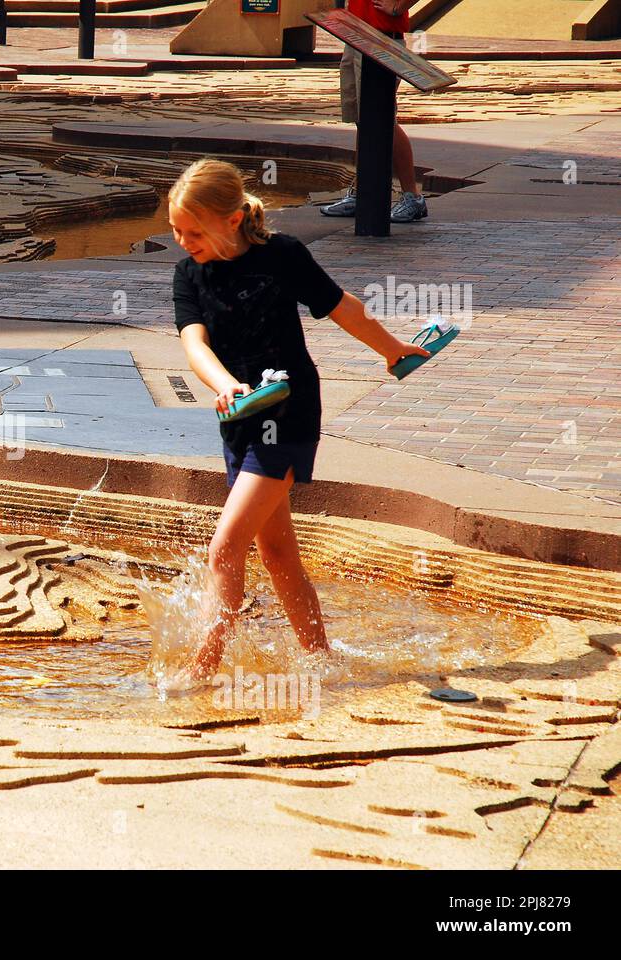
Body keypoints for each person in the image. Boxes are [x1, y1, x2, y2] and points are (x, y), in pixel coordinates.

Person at [170, 158, 429, 679]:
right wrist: (226, 387)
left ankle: (199, 673)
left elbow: (343, 308)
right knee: (278, 553)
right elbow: (193, 344)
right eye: (175, 230)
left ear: (234, 219)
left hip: (288, 412)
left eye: (193, 230)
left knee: (224, 550)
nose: (182, 240)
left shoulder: (282, 255)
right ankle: (320, 660)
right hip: (239, 417)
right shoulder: (189, 272)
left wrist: (392, 349)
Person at [321, 0, 428, 223]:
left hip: (382, 37)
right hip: (355, 34)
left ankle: (413, 196)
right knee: (363, 118)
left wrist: (398, 7)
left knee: (383, 118)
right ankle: (363, 192)